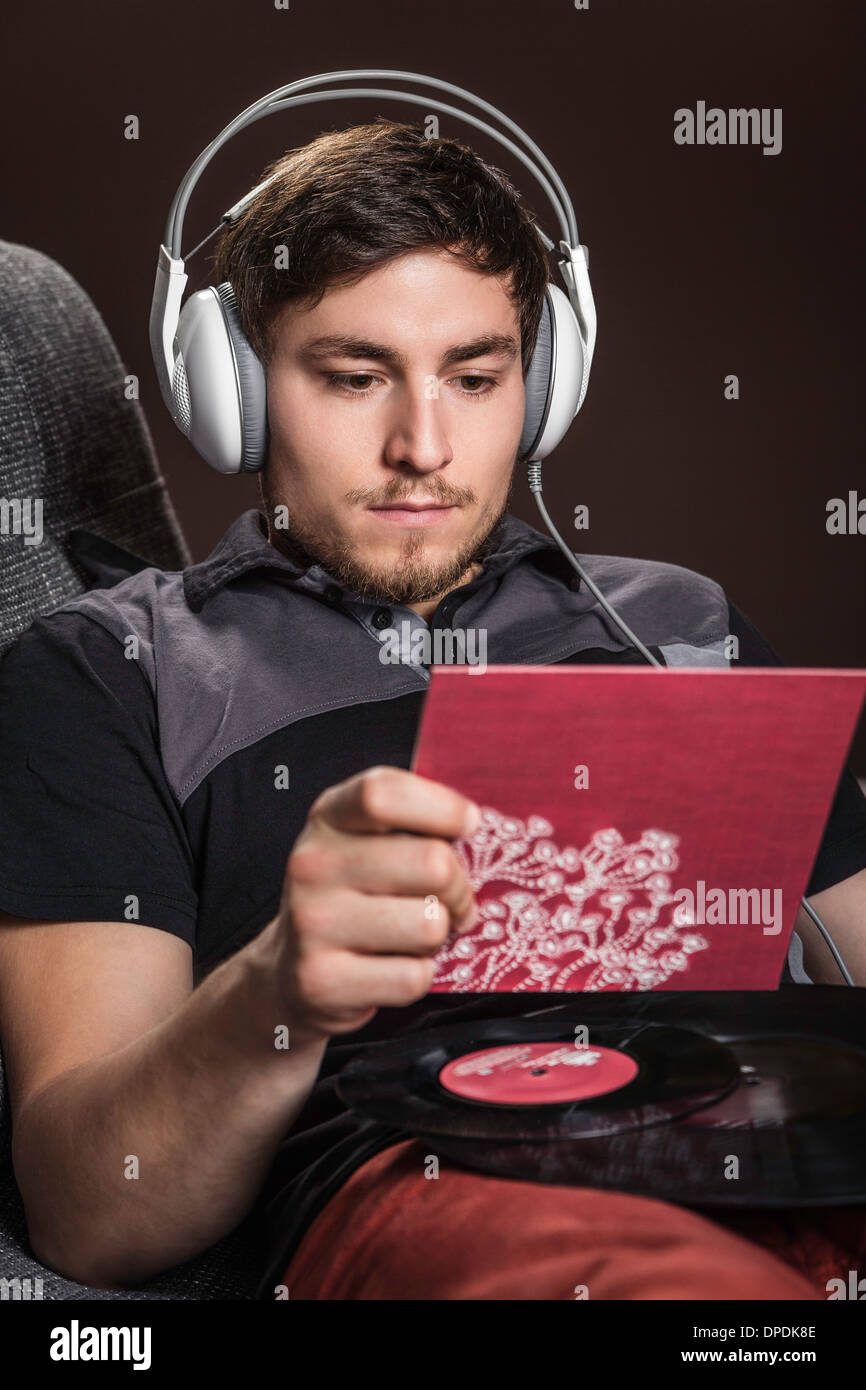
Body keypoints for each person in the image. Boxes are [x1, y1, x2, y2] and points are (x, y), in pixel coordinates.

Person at [0, 120, 864, 1301]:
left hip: (788, 1141)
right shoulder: (113, 672)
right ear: (236, 389)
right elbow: (94, 1208)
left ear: (543, 385)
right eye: (354, 378)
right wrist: (281, 990)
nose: (423, 446)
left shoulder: (677, 625)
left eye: (475, 376)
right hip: (465, 1188)